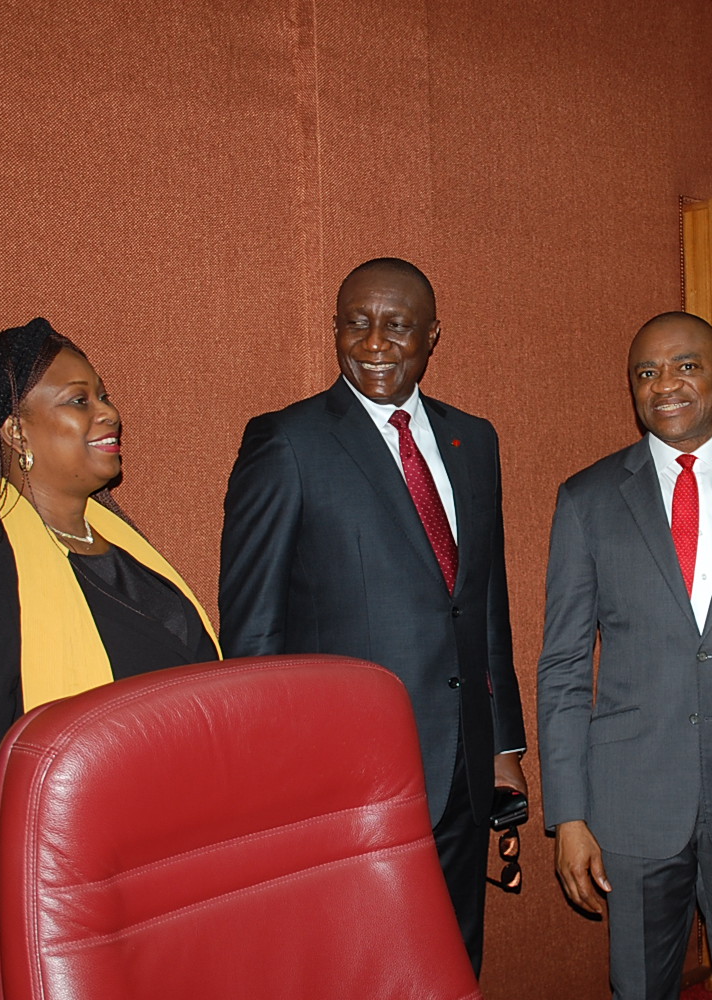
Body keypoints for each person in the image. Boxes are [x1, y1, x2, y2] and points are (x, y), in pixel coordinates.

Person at [218, 257, 527, 974]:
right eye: (356, 324)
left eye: (396, 326)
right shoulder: (286, 442)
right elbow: (254, 630)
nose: (374, 343)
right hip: (343, 774)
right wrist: (272, 778)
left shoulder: (473, 441)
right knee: (359, 962)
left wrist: (503, 743)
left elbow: (485, 602)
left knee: (452, 957)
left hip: (463, 771)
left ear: (432, 336)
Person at [0, 318, 221, 999]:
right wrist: (37, 980)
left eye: (103, 395)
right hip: (58, 934)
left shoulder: (134, 557)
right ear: (16, 434)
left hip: (178, 907)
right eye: (79, 399)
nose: (109, 412)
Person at [536, 311, 712, 1000]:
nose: (665, 384)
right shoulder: (587, 500)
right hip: (631, 810)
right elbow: (565, 668)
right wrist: (569, 816)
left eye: (686, 365)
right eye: (646, 372)